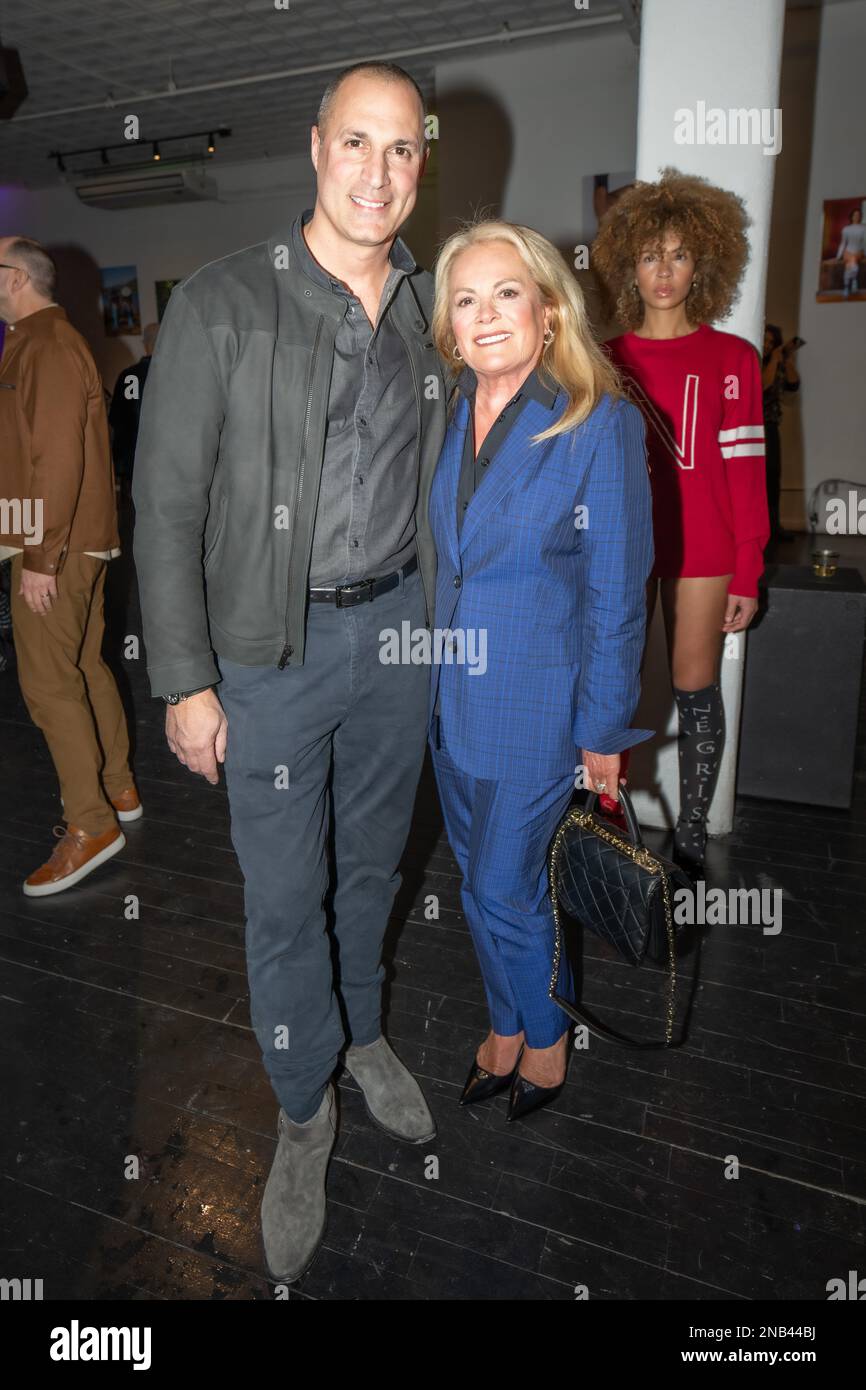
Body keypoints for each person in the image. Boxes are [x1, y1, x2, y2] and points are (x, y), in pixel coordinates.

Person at [132, 62, 446, 1285]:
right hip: (269, 654)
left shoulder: (433, 307)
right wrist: (185, 680)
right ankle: (300, 1110)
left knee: (372, 867)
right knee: (281, 898)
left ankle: (362, 1034)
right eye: (354, 144)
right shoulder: (221, 303)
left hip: (398, 643)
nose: (377, 173)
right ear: (316, 148)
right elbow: (165, 509)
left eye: (402, 150)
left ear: (423, 161)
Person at [428, 219, 654, 1123]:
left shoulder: (599, 425)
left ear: (550, 311)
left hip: (534, 712)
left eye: (505, 293)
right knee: (475, 881)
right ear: (448, 322)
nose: (484, 316)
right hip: (448, 704)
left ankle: (548, 1040)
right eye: (465, 299)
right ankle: (506, 1021)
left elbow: (617, 593)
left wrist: (601, 732)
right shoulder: (455, 406)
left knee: (502, 887)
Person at [593, 168, 770, 876]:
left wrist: (749, 568)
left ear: (702, 263)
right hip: (621, 550)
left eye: (678, 255)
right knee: (614, 685)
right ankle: (606, 823)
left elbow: (746, 474)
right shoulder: (606, 362)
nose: (663, 272)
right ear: (628, 265)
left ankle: (693, 836)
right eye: (649, 255)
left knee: (696, 687)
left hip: (706, 547)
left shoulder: (734, 360)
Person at [0, 236, 141, 895]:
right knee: (83, 667)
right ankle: (117, 788)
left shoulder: (44, 344)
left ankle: (90, 824)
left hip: (56, 548)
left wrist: (39, 556)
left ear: (16, 278)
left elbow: (55, 461)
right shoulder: (40, 342)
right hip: (73, 543)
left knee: (48, 685)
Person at [108, 321, 158, 497]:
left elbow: (115, 417)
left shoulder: (129, 376)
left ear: (145, 345)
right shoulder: (174, 376)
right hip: (168, 461)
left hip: (133, 461)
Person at [761, 323, 800, 541]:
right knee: (759, 477)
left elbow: (793, 385)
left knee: (773, 476)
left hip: (771, 425)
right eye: (764, 340)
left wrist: (786, 360)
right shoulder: (753, 361)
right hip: (755, 427)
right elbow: (761, 385)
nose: (767, 345)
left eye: (771, 342)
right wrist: (774, 361)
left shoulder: (775, 364)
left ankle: (774, 525)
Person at [836, 207, 865, 298]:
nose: (856, 217)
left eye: (858, 215)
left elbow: (865, 243)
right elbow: (843, 243)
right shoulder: (846, 229)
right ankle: (853, 280)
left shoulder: (864, 228)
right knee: (851, 261)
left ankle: (846, 286)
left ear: (860, 217)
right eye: (855, 215)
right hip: (848, 251)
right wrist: (838, 256)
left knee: (852, 260)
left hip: (858, 251)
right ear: (851, 217)